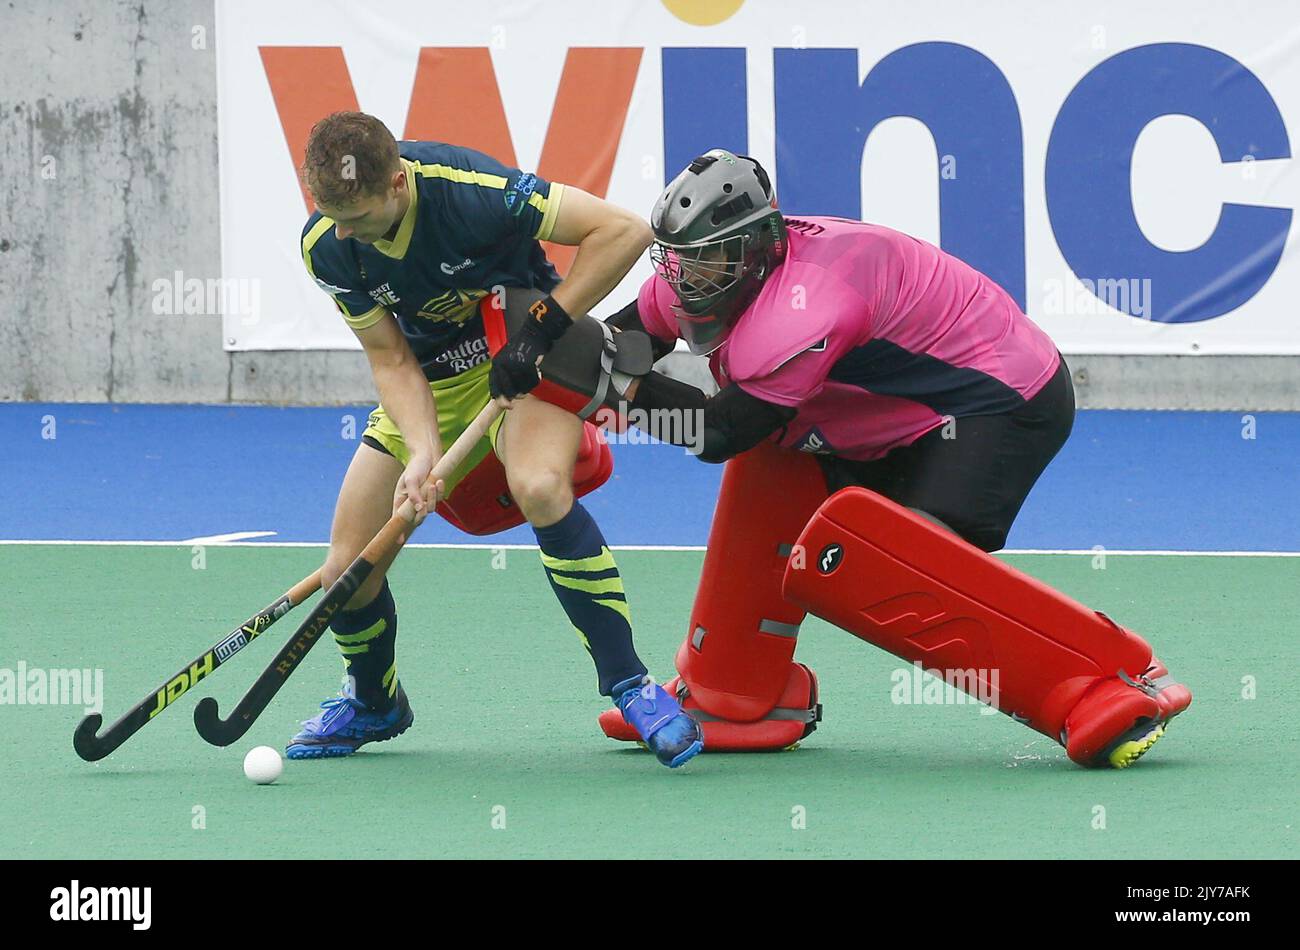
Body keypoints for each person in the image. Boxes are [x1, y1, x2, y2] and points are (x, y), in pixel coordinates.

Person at [594, 148, 1190, 768]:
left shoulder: (807, 305)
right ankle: (730, 689)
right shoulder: (702, 280)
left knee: (878, 560)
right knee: (774, 465)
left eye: (709, 258)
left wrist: (613, 387)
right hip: (885, 414)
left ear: (759, 247)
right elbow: (620, 346)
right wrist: (557, 347)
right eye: (681, 259)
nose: (690, 277)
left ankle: (1102, 681)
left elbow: (715, 434)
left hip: (995, 404)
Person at [289, 111, 701, 768]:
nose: (344, 233)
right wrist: (422, 451)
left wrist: (542, 328)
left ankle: (630, 683)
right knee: (346, 570)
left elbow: (621, 230)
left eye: (358, 219)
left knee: (537, 486)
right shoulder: (327, 245)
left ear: (397, 184)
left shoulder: (470, 189)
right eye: (332, 216)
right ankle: (375, 702)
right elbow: (392, 361)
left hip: (527, 346)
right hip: (435, 382)